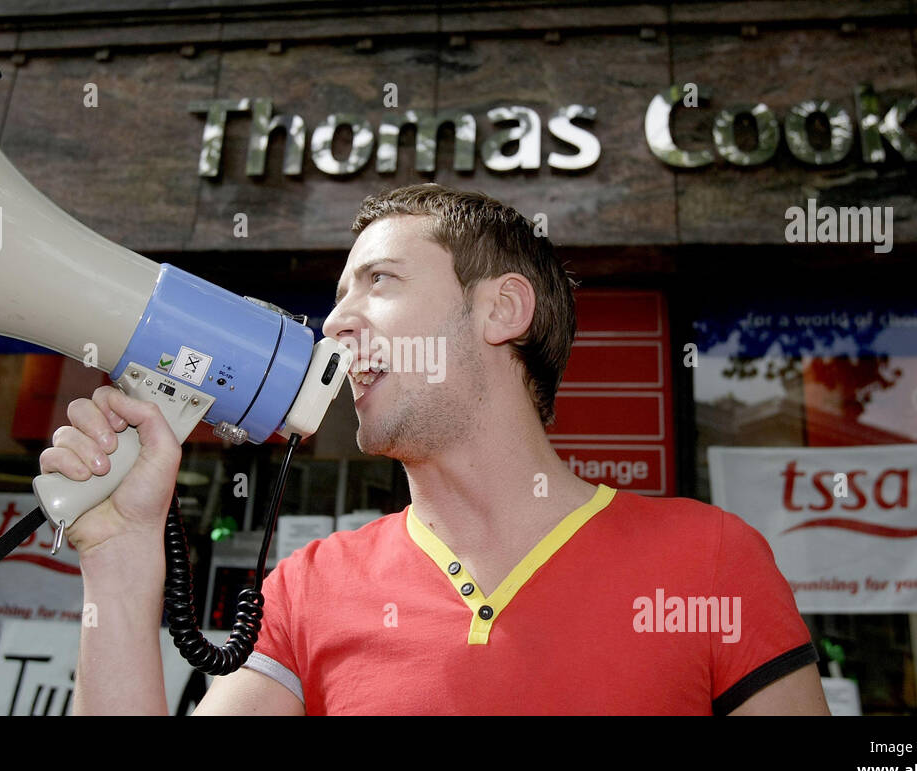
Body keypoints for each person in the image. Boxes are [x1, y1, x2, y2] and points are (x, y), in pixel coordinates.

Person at [41, 184, 830, 715]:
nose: (335, 325)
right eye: (338, 296)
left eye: (378, 281)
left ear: (501, 309)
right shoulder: (306, 588)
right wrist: (120, 552)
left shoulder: (711, 561)